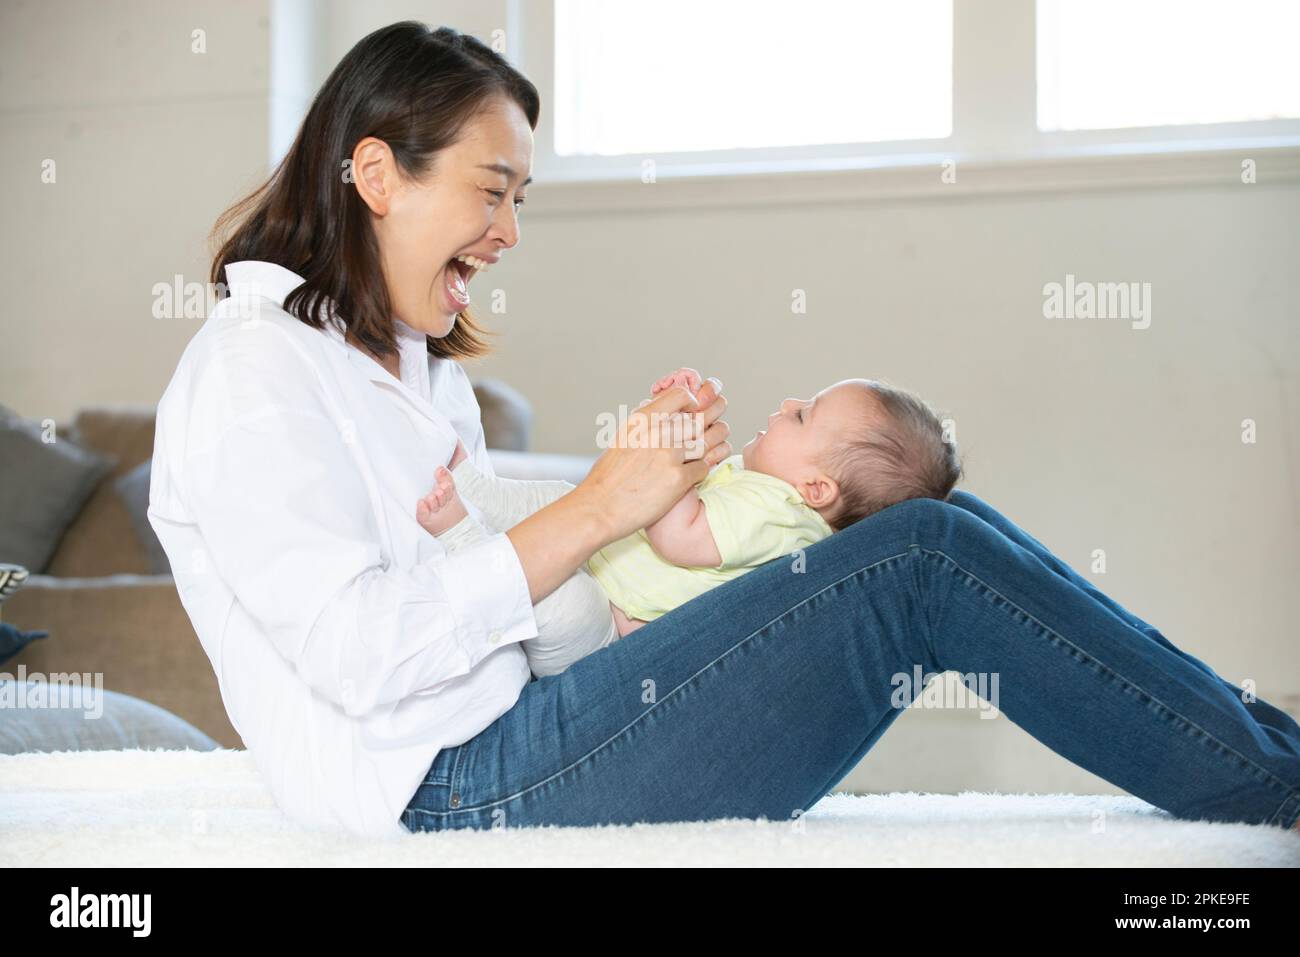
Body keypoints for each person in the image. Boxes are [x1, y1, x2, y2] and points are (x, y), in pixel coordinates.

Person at [148, 21, 1300, 839]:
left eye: (522, 200)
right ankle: (1272, 782)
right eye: (491, 191)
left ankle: (1263, 747)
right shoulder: (253, 374)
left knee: (935, 523)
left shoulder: (416, 375)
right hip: (450, 787)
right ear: (375, 175)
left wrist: (644, 526)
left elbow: (525, 605)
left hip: (538, 715)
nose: (508, 232)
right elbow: (357, 652)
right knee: (923, 558)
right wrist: (604, 505)